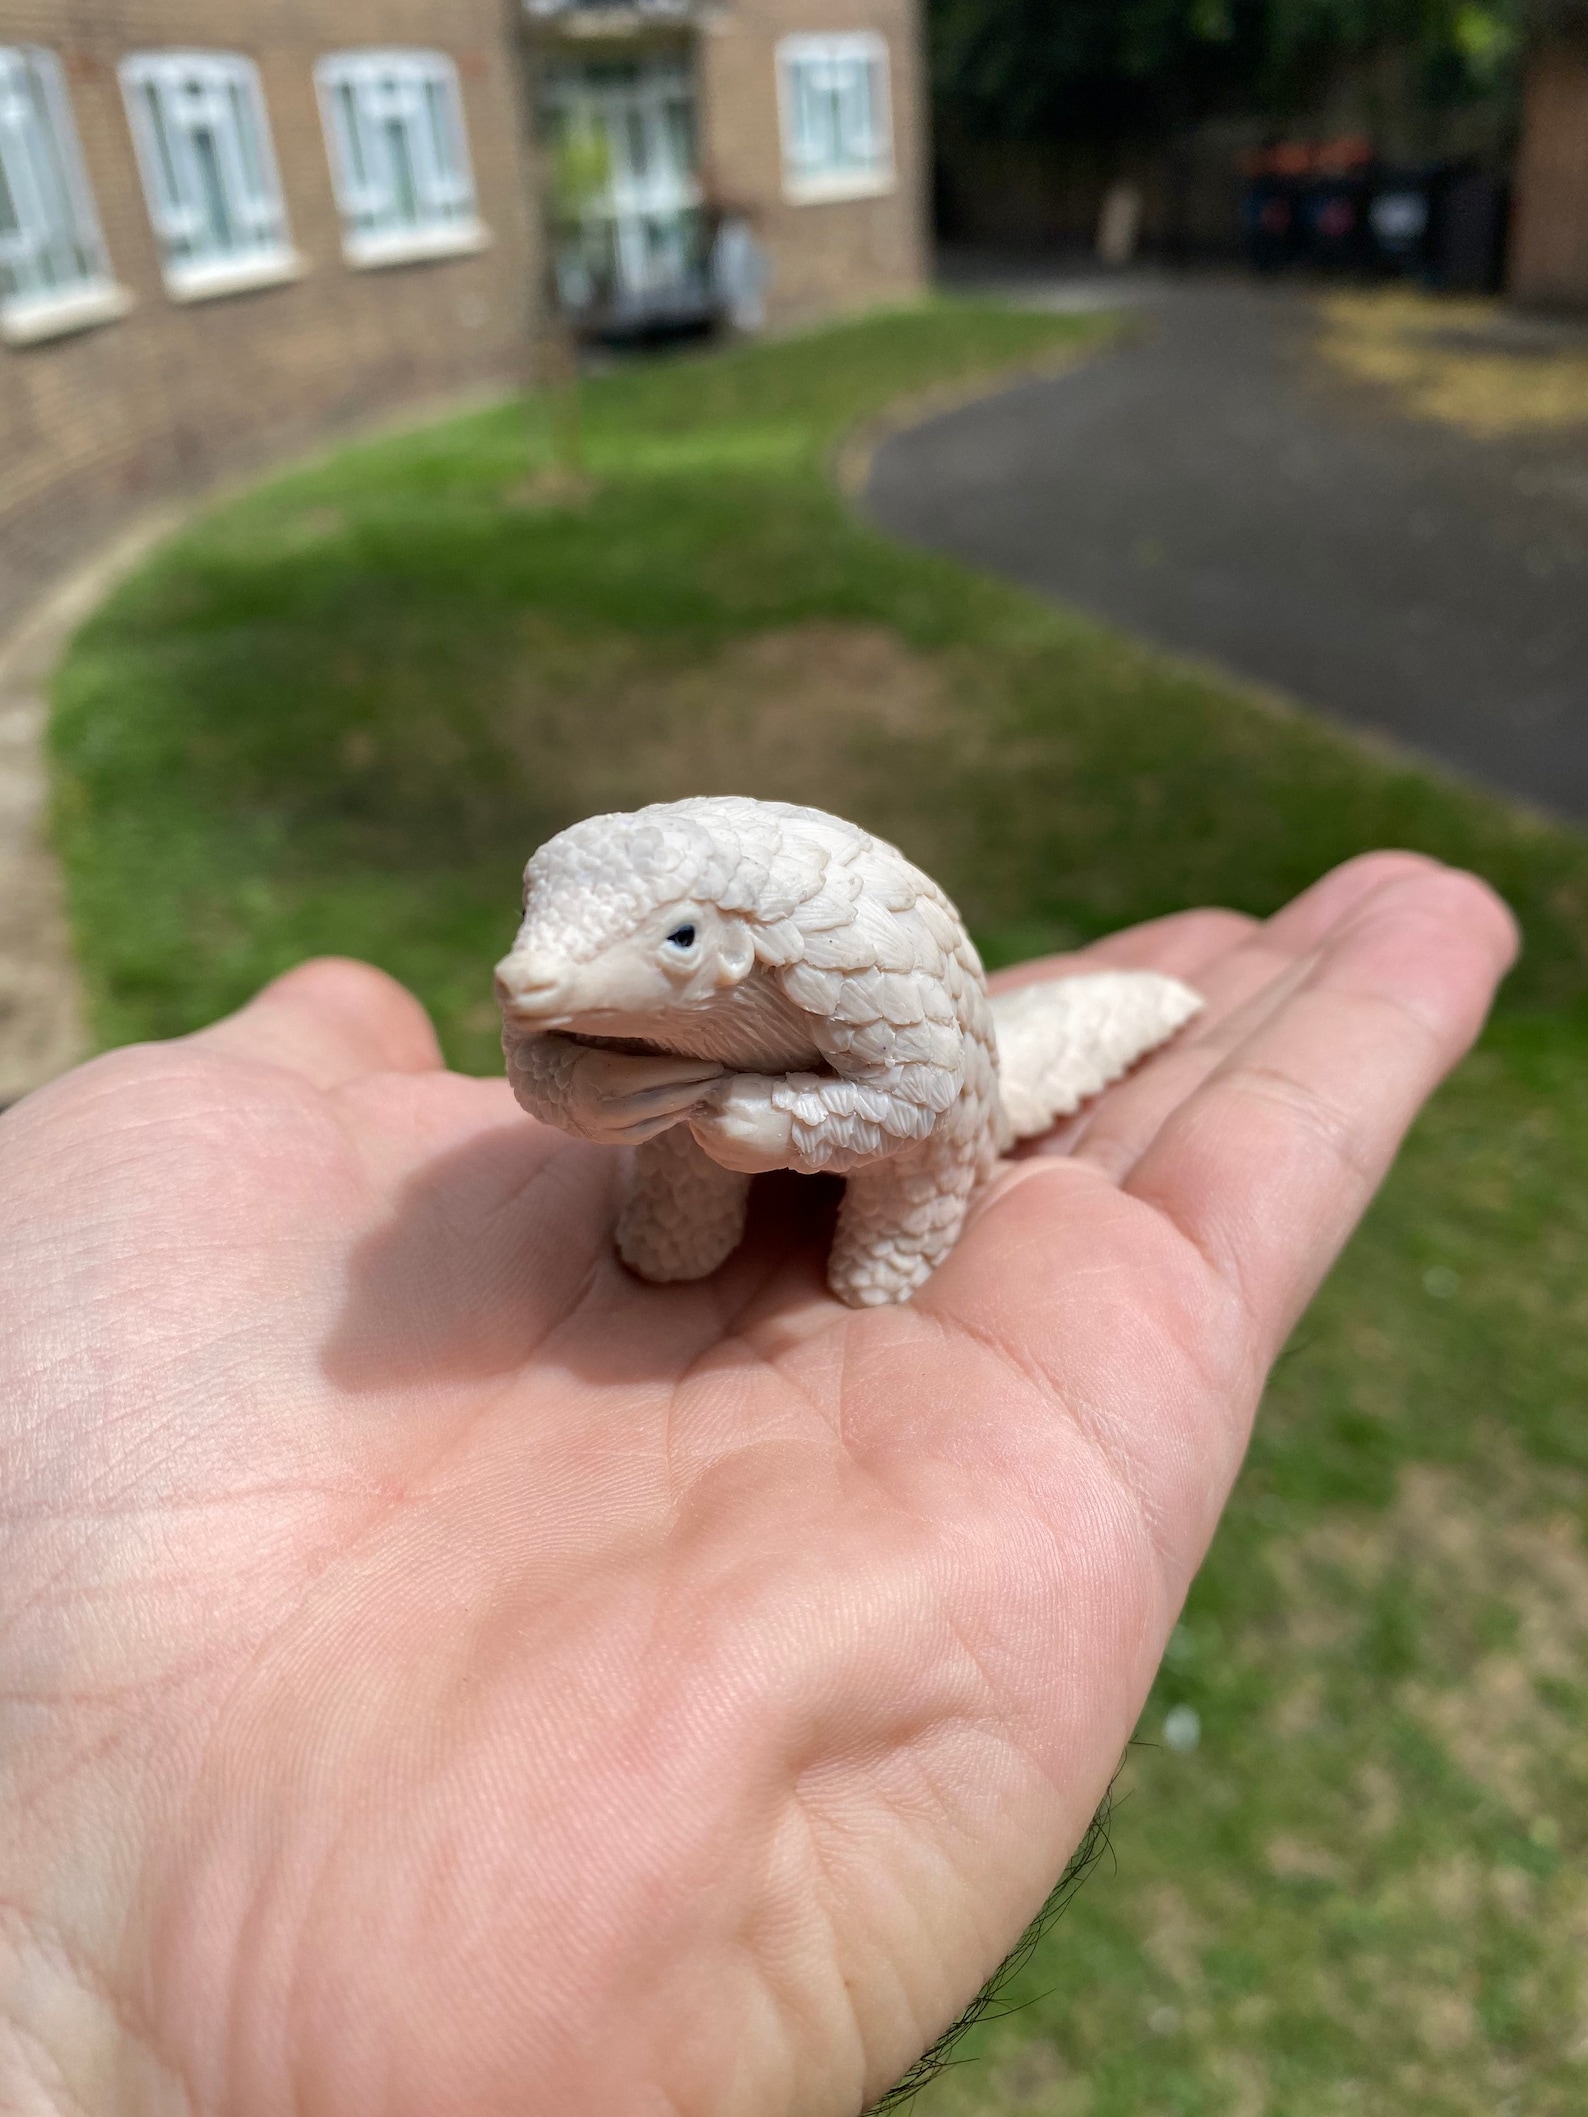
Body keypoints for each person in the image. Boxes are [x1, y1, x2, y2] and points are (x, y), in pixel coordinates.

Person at [0, 852, 1514, 2115]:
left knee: (890, 1230)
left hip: (886, 1108)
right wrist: (632, 1104)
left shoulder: (851, 965)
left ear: (723, 945)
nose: (532, 971)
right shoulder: (609, 975)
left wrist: (771, 1123)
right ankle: (689, 1212)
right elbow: (553, 1060)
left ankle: (851, 1242)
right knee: (672, 1205)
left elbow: (921, 1095)